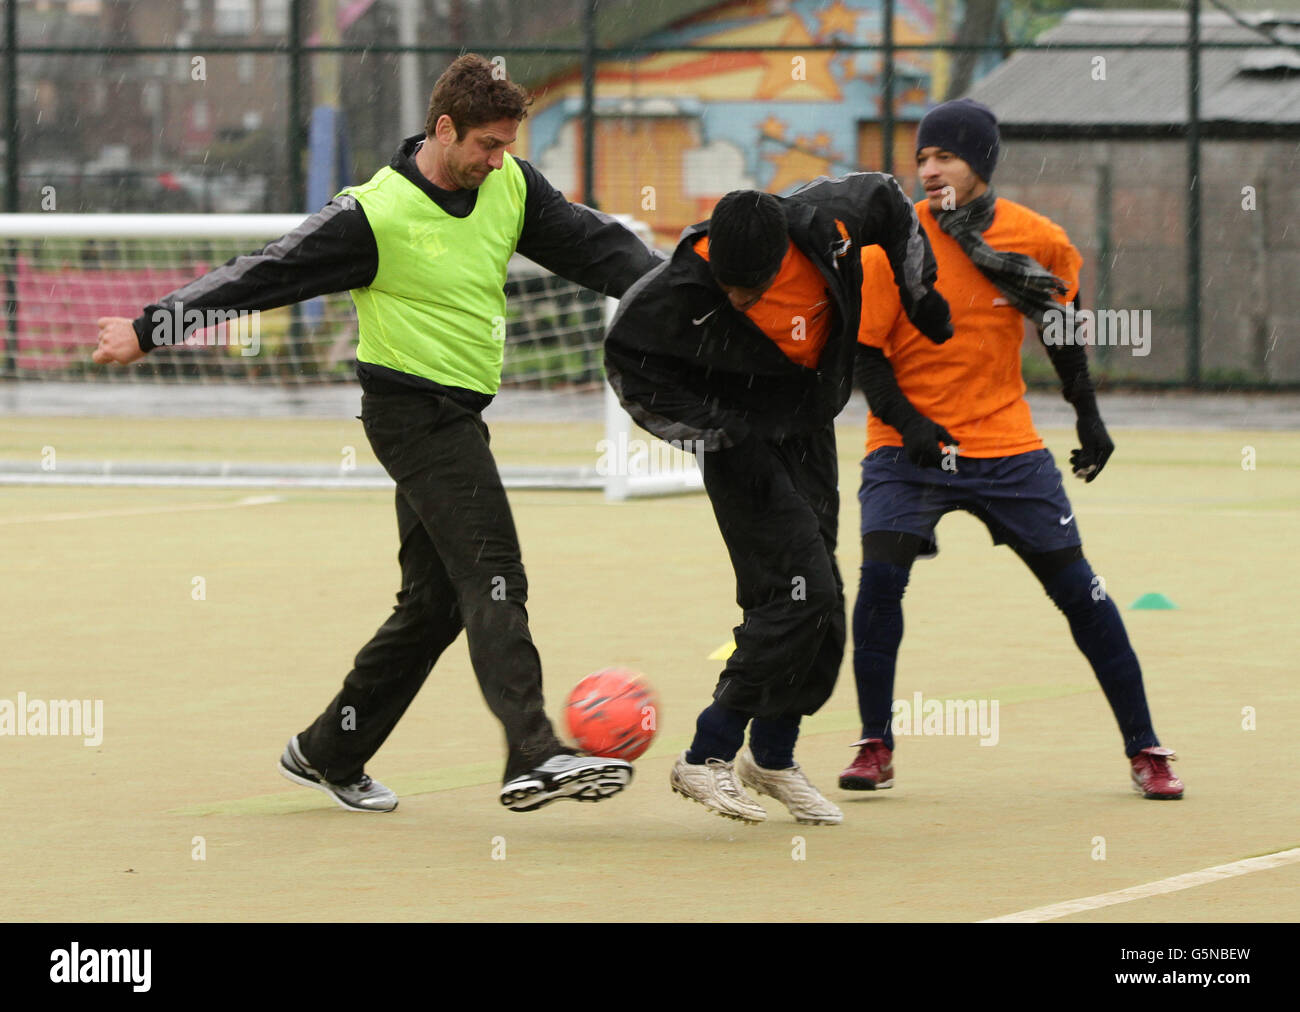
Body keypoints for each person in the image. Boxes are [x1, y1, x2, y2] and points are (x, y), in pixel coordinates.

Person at [93, 54, 662, 814]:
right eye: (487, 145)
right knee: (495, 573)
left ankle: (328, 751)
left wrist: (680, 286)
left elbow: (598, 249)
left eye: (507, 147)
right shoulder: (372, 215)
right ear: (444, 128)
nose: (498, 161)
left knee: (434, 605)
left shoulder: (511, 186)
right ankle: (532, 751)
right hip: (411, 415)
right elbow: (263, 273)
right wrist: (150, 329)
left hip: (460, 415)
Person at [840, 98, 1184, 800]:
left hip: (1005, 447)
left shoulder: (1038, 239)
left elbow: (1060, 332)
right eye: (923, 158)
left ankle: (1146, 748)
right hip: (906, 447)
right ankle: (875, 744)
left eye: (946, 157)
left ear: (981, 163)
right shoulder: (892, 241)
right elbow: (866, 355)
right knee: (878, 584)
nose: (930, 170)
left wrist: (1089, 418)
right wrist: (910, 425)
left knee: (1082, 593)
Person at [605, 182, 953, 825]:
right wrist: (720, 433)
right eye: (729, 287)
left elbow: (890, 200)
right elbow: (628, 364)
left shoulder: (827, 223)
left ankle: (771, 756)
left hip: (807, 424)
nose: (738, 299)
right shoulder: (678, 287)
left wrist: (918, 291)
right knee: (799, 593)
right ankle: (706, 752)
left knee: (824, 605)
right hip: (740, 444)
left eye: (753, 287)